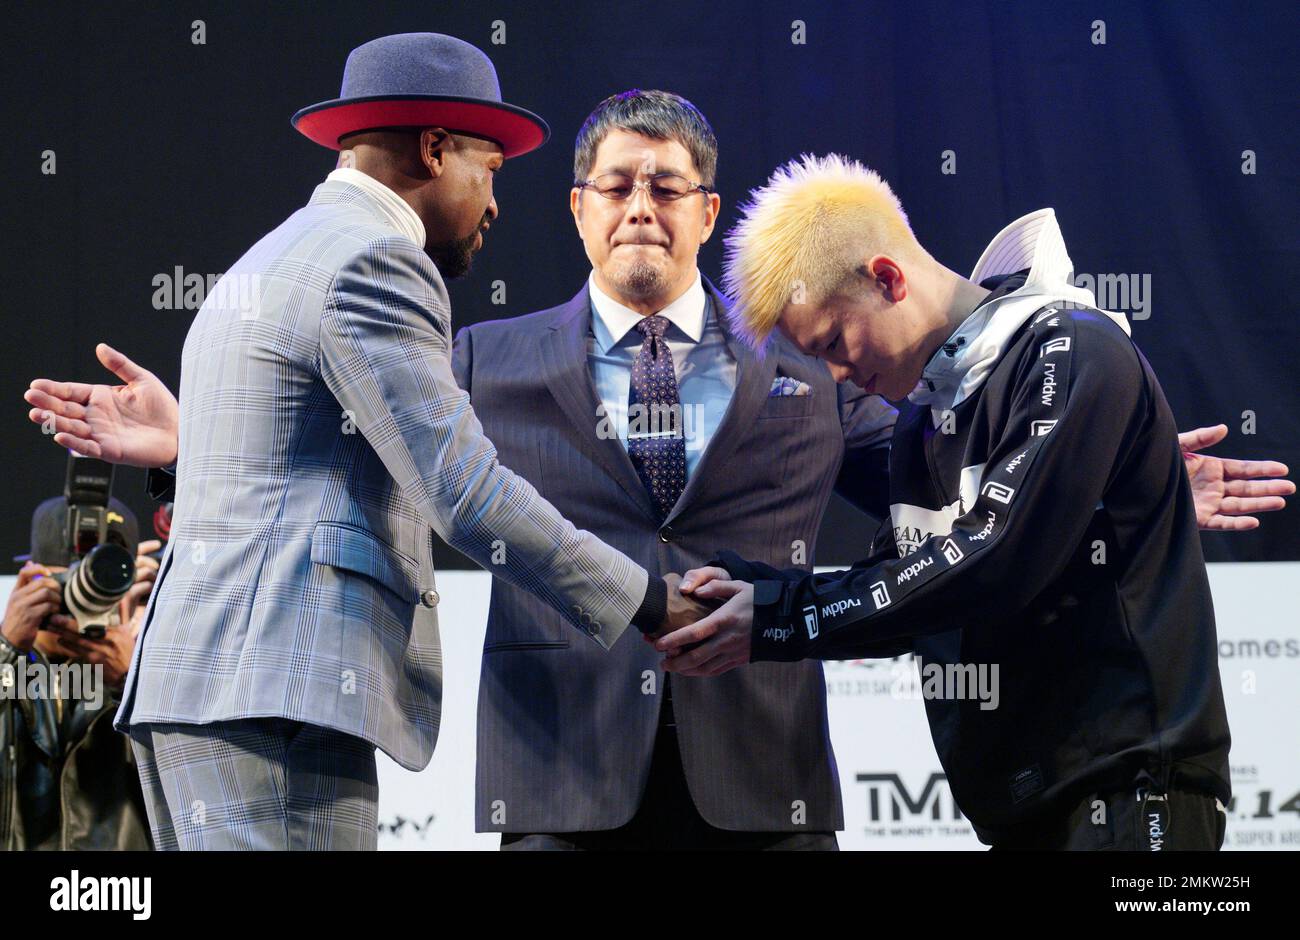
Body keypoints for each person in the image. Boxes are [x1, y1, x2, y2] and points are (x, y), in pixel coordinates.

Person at [22, 33, 706, 851]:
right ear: (434, 147)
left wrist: (185, 449)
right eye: (489, 171)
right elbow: (464, 490)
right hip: (279, 700)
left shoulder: (265, 257)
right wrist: (647, 599)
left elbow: (283, 470)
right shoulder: (377, 261)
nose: (494, 204)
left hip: (196, 693)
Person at [657, 154, 1294, 850]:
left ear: (887, 278)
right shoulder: (923, 421)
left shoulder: (1074, 346)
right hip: (1020, 814)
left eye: (835, 343)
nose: (840, 377)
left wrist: (779, 618)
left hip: (1131, 796)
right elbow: (910, 589)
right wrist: (756, 590)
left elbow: (992, 557)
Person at [456, 90, 896, 849]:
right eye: (617, 185)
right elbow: (375, 475)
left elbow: (946, 474)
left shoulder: (807, 363)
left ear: (709, 212)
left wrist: (1130, 464)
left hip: (765, 783)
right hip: (560, 783)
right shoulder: (482, 362)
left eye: (666, 189)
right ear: (578, 206)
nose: (640, 208)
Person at [1, 499, 159, 849]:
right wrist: (6, 649)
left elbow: (194, 795)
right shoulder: (10, 669)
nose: (84, 600)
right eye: (70, 581)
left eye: (100, 587)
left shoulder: (152, 675)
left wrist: (134, 686)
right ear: (32, 577)